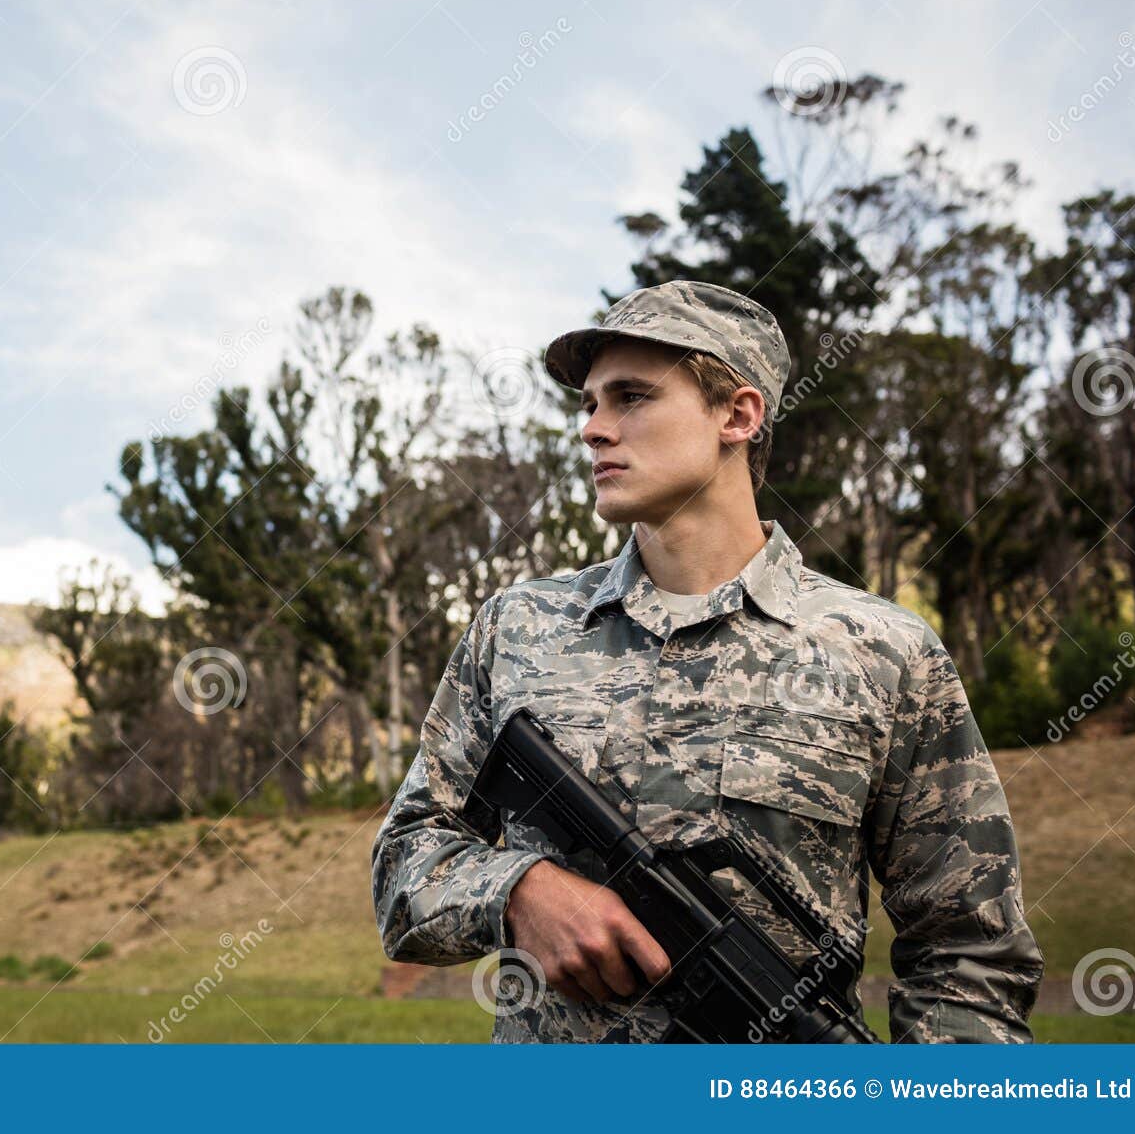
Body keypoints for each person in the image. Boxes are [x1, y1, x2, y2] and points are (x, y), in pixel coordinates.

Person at [370, 280, 1044, 1042]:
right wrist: (518, 888)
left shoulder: (884, 653)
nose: (592, 428)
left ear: (738, 414)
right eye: (588, 403)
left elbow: (969, 951)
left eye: (629, 397)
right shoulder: (517, 628)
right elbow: (404, 861)